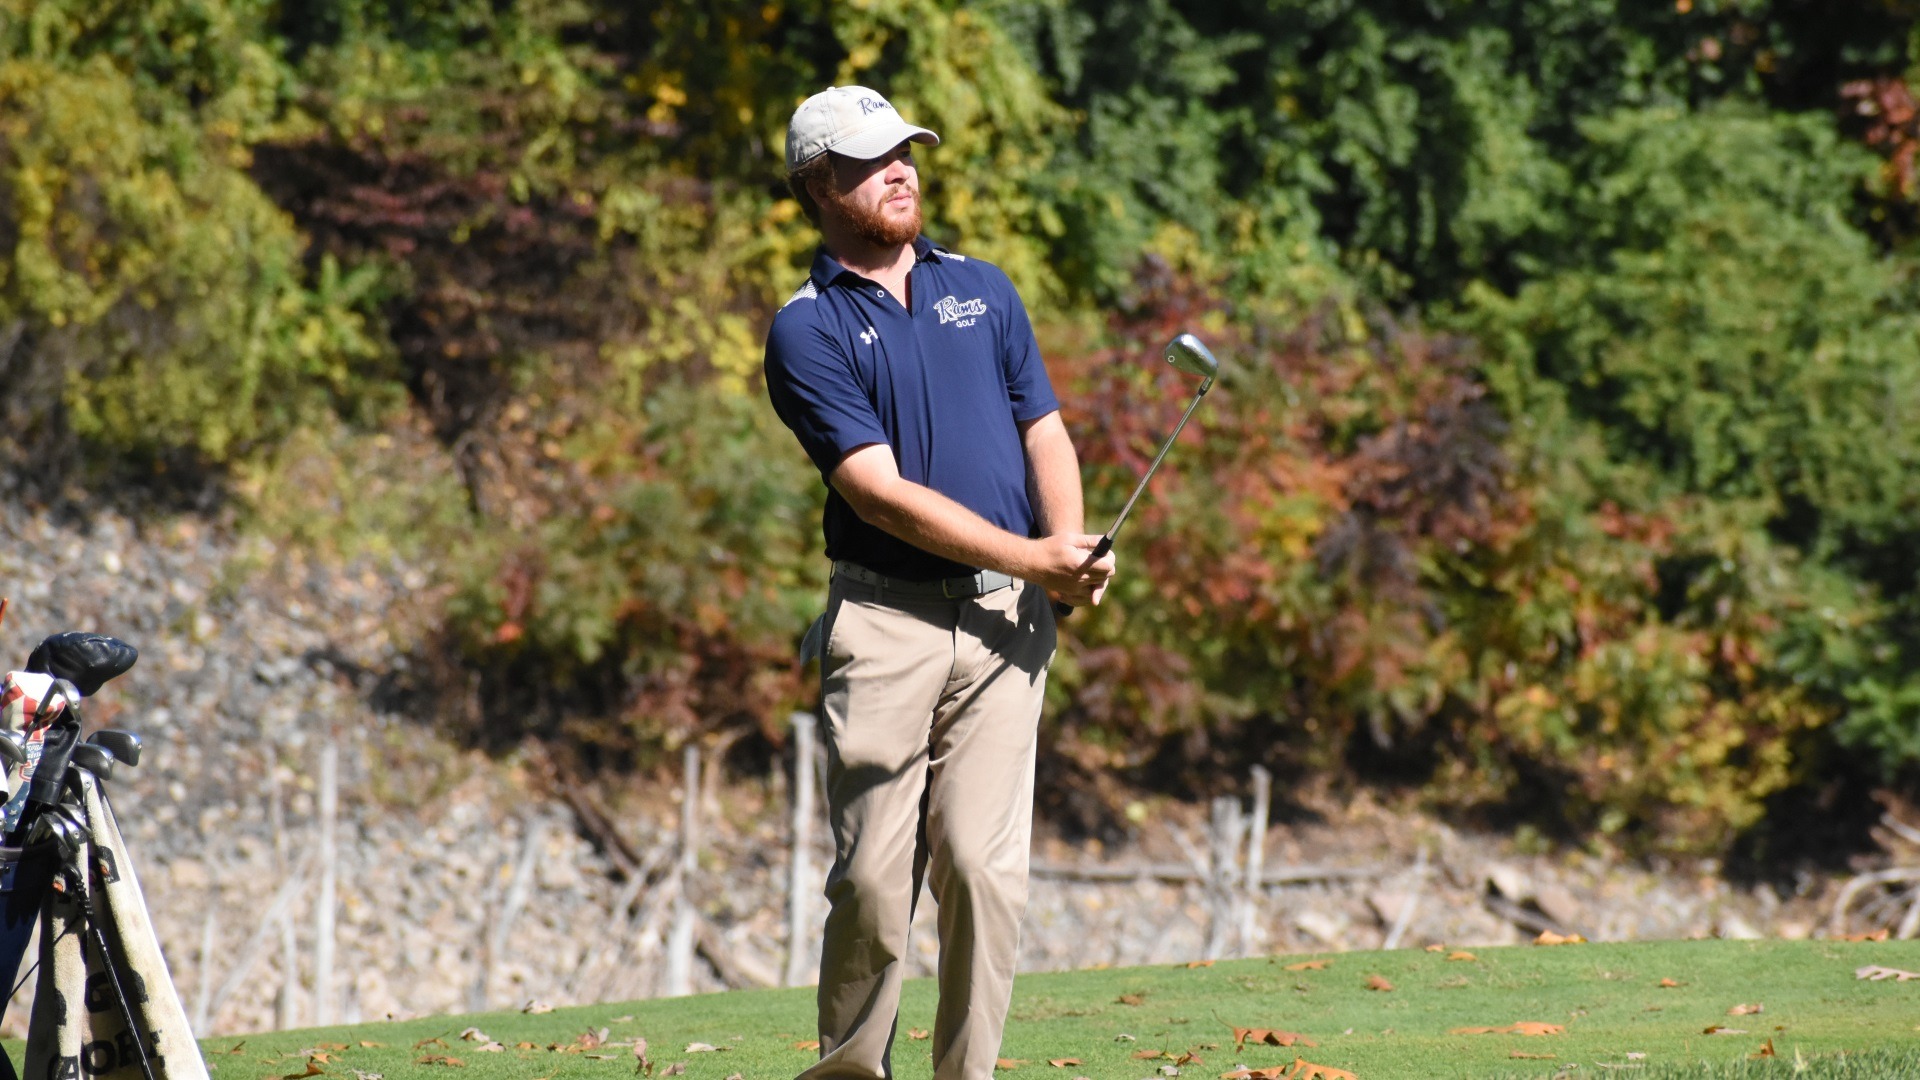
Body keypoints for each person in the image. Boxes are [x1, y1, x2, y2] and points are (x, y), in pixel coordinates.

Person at [763, 85, 1117, 1080]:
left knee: (981, 871)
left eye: (906, 152)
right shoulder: (807, 330)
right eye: (876, 160)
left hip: (1003, 627)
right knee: (876, 885)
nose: (903, 169)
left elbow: (1041, 427)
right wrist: (1031, 558)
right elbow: (878, 494)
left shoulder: (986, 290)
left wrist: (1066, 548)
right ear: (821, 184)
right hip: (884, 622)